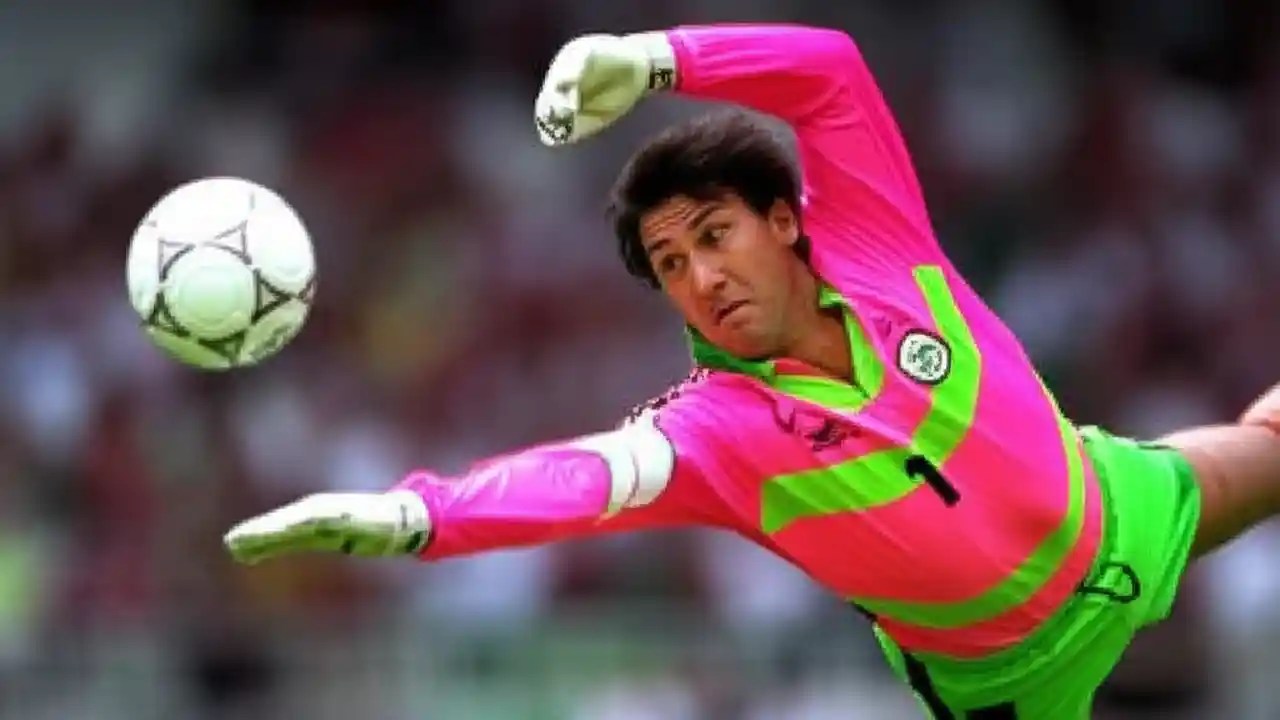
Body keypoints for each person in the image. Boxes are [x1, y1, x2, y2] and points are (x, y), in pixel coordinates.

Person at [224, 24, 1280, 718]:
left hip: (1120, 510)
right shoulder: (714, 432)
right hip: (1011, 684)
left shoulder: (872, 239)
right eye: (672, 265)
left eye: (713, 235)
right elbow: (582, 480)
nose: (700, 276)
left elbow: (827, 72)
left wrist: (650, 60)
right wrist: (419, 516)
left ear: (781, 219)